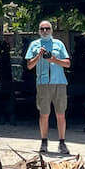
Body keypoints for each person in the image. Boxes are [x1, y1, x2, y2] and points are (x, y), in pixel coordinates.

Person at [25, 20, 71, 156]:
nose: (45, 31)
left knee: (61, 114)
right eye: (42, 29)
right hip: (43, 83)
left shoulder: (59, 44)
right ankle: (44, 141)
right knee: (44, 114)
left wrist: (54, 59)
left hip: (59, 83)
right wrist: (38, 55)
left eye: (47, 28)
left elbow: (67, 63)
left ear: (51, 30)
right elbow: (29, 66)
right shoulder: (34, 45)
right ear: (39, 31)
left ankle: (62, 142)